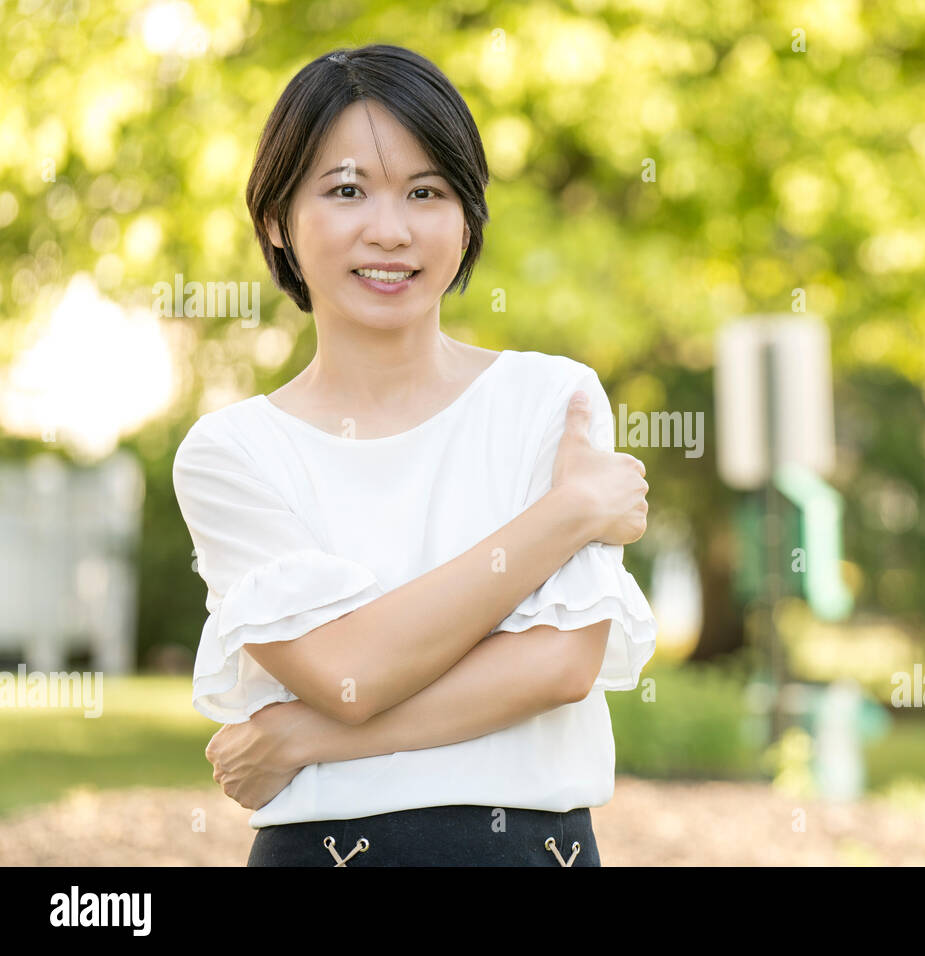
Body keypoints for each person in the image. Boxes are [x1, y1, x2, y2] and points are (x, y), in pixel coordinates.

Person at [171, 44, 656, 867]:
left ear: (466, 217)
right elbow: (348, 670)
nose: (390, 231)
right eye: (347, 190)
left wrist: (302, 738)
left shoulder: (551, 402)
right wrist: (568, 513)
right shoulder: (232, 453)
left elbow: (560, 665)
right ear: (277, 222)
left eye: (425, 192)